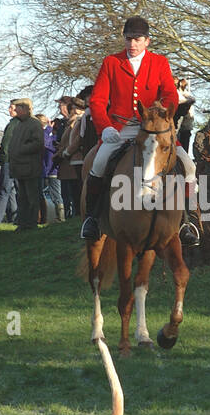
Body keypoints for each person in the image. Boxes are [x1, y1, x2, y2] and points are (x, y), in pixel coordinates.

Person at [80, 16, 201, 245]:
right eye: (128, 39)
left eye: (137, 40)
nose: (132, 44)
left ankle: (188, 220)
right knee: (98, 163)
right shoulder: (111, 62)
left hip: (152, 128)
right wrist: (104, 127)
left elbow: (170, 94)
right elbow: (97, 100)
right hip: (120, 127)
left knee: (188, 165)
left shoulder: (159, 63)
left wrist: (160, 112)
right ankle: (92, 219)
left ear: (147, 41)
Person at [7, 99, 44, 231]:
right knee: (21, 197)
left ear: (26, 108)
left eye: (18, 108)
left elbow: (38, 143)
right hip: (19, 167)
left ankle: (32, 223)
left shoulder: (34, 124)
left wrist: (20, 149)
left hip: (30, 167)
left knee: (31, 196)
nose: (15, 110)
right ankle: (23, 223)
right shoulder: (19, 125)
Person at [38, 113, 64, 222]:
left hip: (52, 170)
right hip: (45, 170)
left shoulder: (52, 136)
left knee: (56, 194)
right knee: (44, 194)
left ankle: (61, 217)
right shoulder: (47, 135)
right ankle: (46, 217)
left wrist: (48, 129)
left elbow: (46, 144)